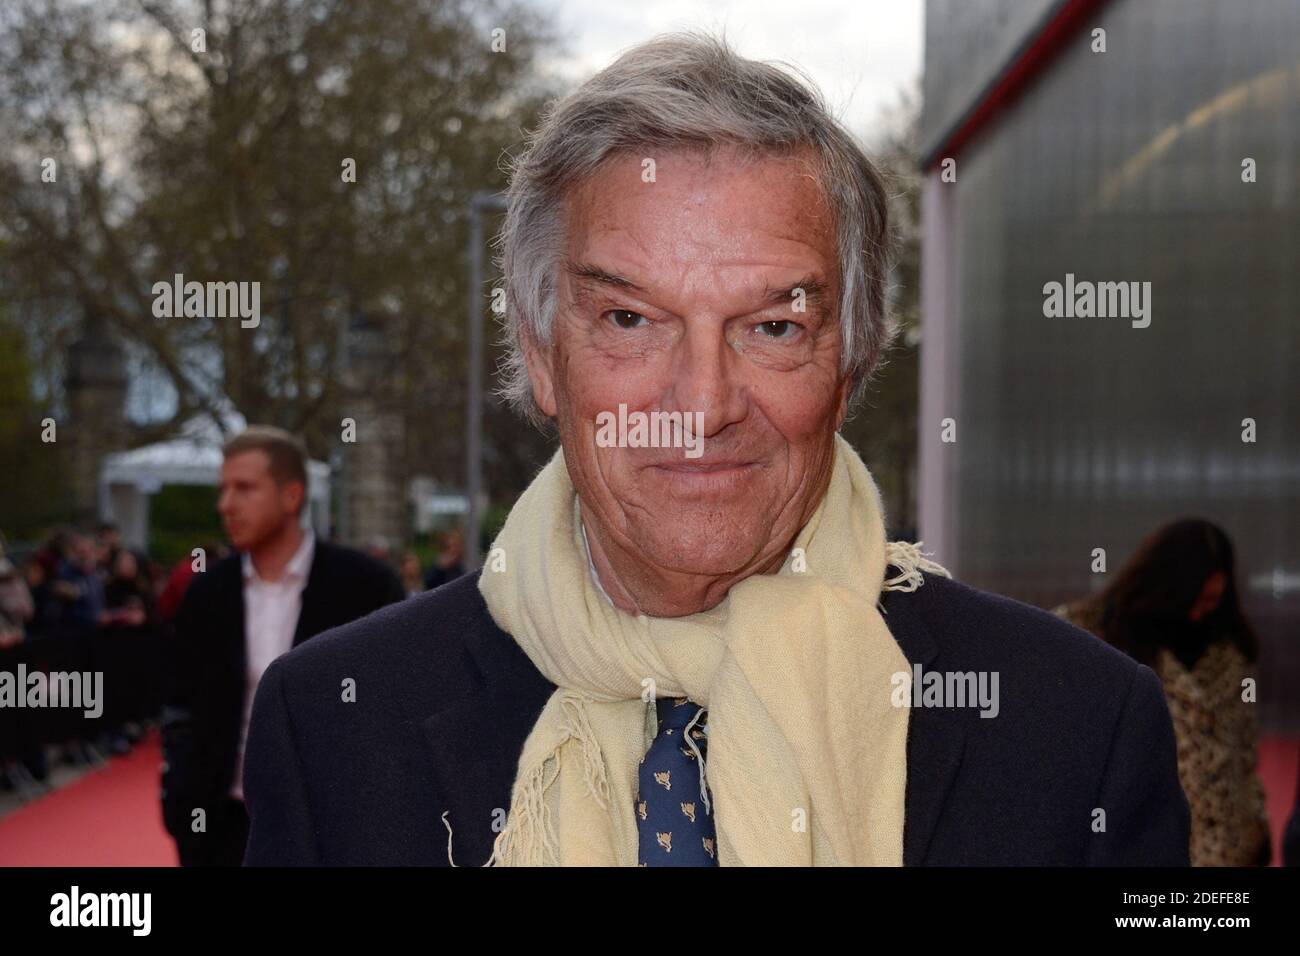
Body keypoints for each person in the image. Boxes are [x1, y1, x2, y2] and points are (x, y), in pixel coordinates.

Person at [243, 33, 1189, 867]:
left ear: (851, 363)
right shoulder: (334, 728)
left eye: (775, 327)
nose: (702, 405)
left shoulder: (1077, 730)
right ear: (539, 357)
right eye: (629, 317)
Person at [162, 426, 404, 866]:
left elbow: (396, 707)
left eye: (244, 489)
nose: (225, 505)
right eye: (223, 489)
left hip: (330, 830)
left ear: (292, 496)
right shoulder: (207, 593)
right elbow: (181, 705)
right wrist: (181, 802)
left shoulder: (364, 586)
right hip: (222, 829)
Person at [1056, 518, 1270, 866]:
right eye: (1199, 598)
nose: (1205, 610)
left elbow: (1244, 755)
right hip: (1136, 849)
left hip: (1230, 852)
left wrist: (1256, 826)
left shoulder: (1229, 653)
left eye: (1216, 598)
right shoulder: (1090, 640)